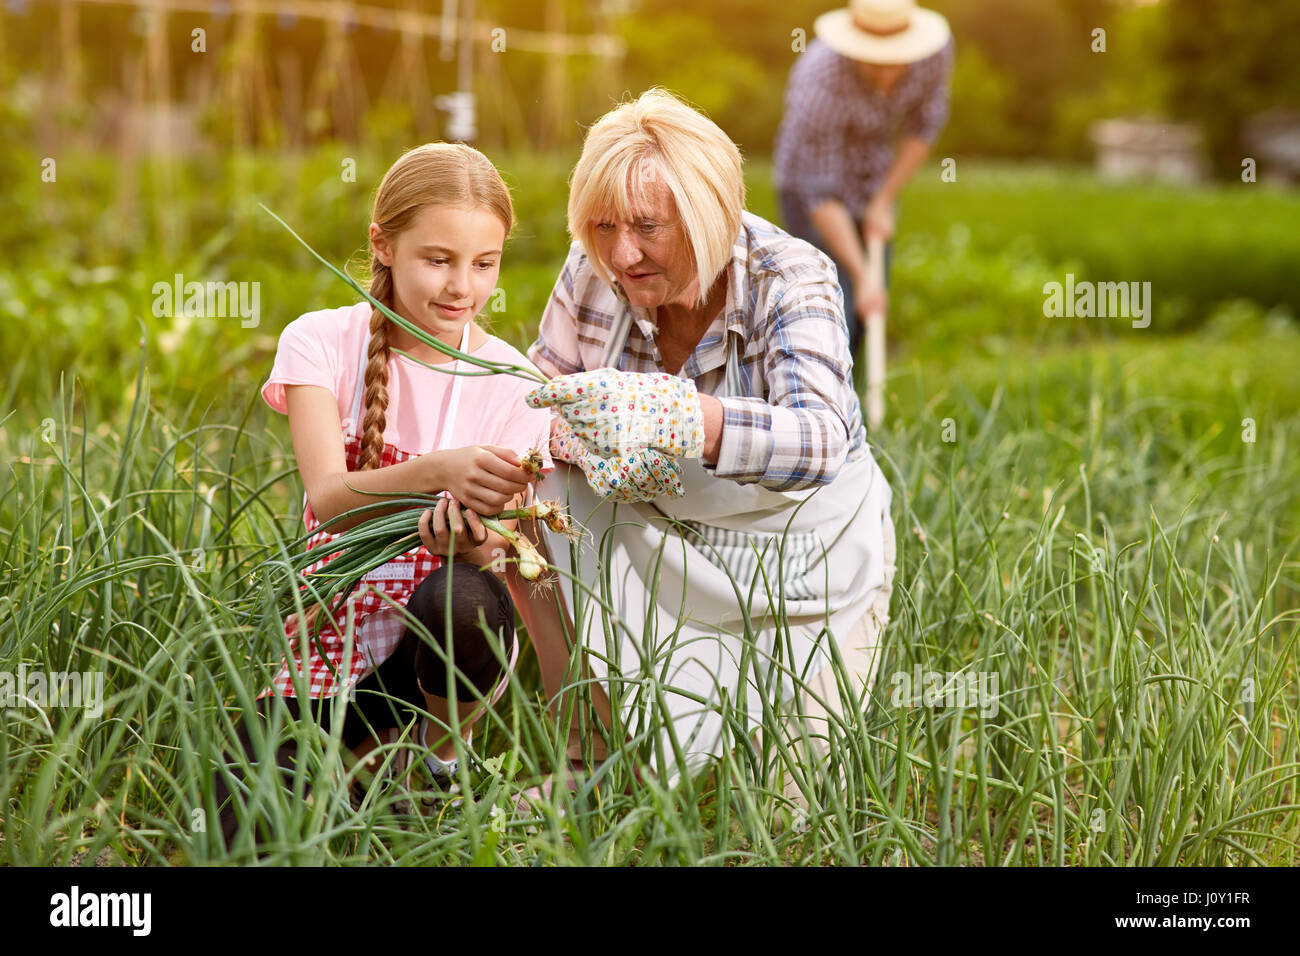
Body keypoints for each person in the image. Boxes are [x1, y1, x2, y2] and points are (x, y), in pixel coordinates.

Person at [516, 89, 897, 807]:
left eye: (647, 228)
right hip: (671, 536)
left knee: (792, 806)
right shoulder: (592, 271)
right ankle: (591, 762)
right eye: (601, 226)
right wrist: (566, 436)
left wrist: (685, 418)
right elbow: (539, 393)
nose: (621, 253)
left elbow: (819, 439)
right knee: (539, 497)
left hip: (800, 552)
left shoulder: (790, 276)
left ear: (707, 212)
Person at [213, 143, 553, 849]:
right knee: (242, 825)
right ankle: (368, 759)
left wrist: (476, 541)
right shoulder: (321, 342)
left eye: (484, 264)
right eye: (438, 259)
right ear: (383, 244)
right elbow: (332, 498)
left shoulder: (514, 380)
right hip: (329, 636)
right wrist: (436, 471)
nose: (462, 286)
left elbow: (512, 551)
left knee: (462, 595)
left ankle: (436, 763)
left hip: (435, 654)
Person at [774, 0, 954, 366]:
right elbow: (819, 193)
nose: (887, 75)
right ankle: (811, 396)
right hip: (808, 187)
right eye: (875, 62)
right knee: (833, 295)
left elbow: (923, 126)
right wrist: (861, 273)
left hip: (874, 176)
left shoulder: (934, 54)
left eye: (895, 60)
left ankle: (852, 395)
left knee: (868, 306)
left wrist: (883, 200)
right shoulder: (818, 78)